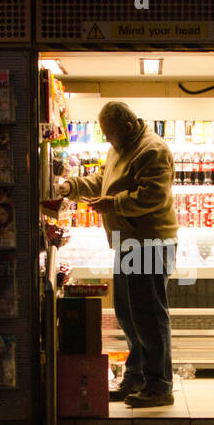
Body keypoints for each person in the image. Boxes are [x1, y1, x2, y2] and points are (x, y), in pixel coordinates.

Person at [58, 101, 178, 407]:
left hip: (149, 242)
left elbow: (153, 195)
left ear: (126, 127)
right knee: (128, 314)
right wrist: (71, 187)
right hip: (128, 242)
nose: (107, 140)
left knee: (148, 315)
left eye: (110, 134)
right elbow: (103, 181)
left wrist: (114, 204)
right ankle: (136, 377)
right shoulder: (120, 148)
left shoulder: (153, 150)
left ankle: (159, 385)